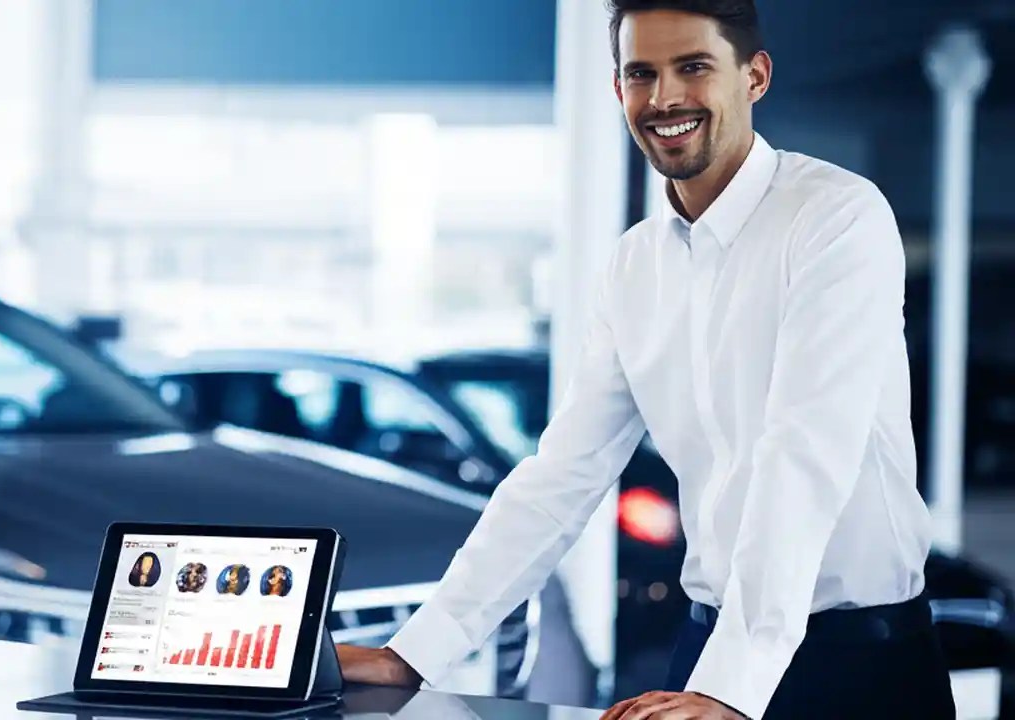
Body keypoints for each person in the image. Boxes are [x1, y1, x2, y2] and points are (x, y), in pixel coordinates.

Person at [337, 2, 956, 718]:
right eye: (641, 73)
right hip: (707, 649)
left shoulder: (839, 219)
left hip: (859, 667)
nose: (663, 98)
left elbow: (804, 453)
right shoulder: (634, 264)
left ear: (753, 76)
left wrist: (729, 688)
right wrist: (415, 651)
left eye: (692, 67)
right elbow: (562, 477)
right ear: (618, 88)